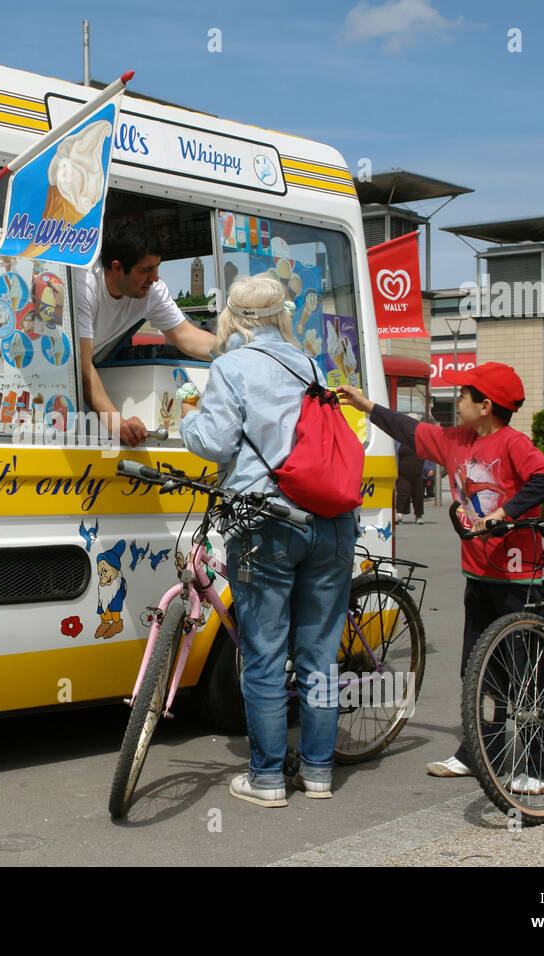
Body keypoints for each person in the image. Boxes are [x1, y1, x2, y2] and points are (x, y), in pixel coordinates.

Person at [338, 363, 544, 789]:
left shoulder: (513, 443)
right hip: (480, 575)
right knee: (478, 669)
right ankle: (483, 752)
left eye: (463, 394)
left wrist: (503, 513)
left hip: (521, 577)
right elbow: (410, 430)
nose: (455, 401)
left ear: (485, 405)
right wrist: (366, 406)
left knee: (529, 671)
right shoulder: (454, 441)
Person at [181, 274, 355, 806]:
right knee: (321, 653)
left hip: (265, 523)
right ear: (282, 314)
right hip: (328, 518)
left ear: (233, 318)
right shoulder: (307, 364)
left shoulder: (230, 367)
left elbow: (214, 443)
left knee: (263, 654)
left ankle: (267, 778)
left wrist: (189, 419)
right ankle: (320, 771)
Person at [75, 221, 216, 447]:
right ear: (117, 267)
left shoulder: (152, 290)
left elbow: (187, 336)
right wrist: (116, 423)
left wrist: (240, 351)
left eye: (157, 267)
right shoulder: (85, 284)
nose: (155, 277)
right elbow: (82, 365)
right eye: (146, 270)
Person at [394, 415, 426, 523]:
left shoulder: (421, 437)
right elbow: (395, 453)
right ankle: (399, 515)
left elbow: (428, 452)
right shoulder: (400, 437)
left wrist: (429, 467)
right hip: (403, 472)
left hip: (418, 471)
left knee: (418, 494)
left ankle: (419, 515)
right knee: (403, 493)